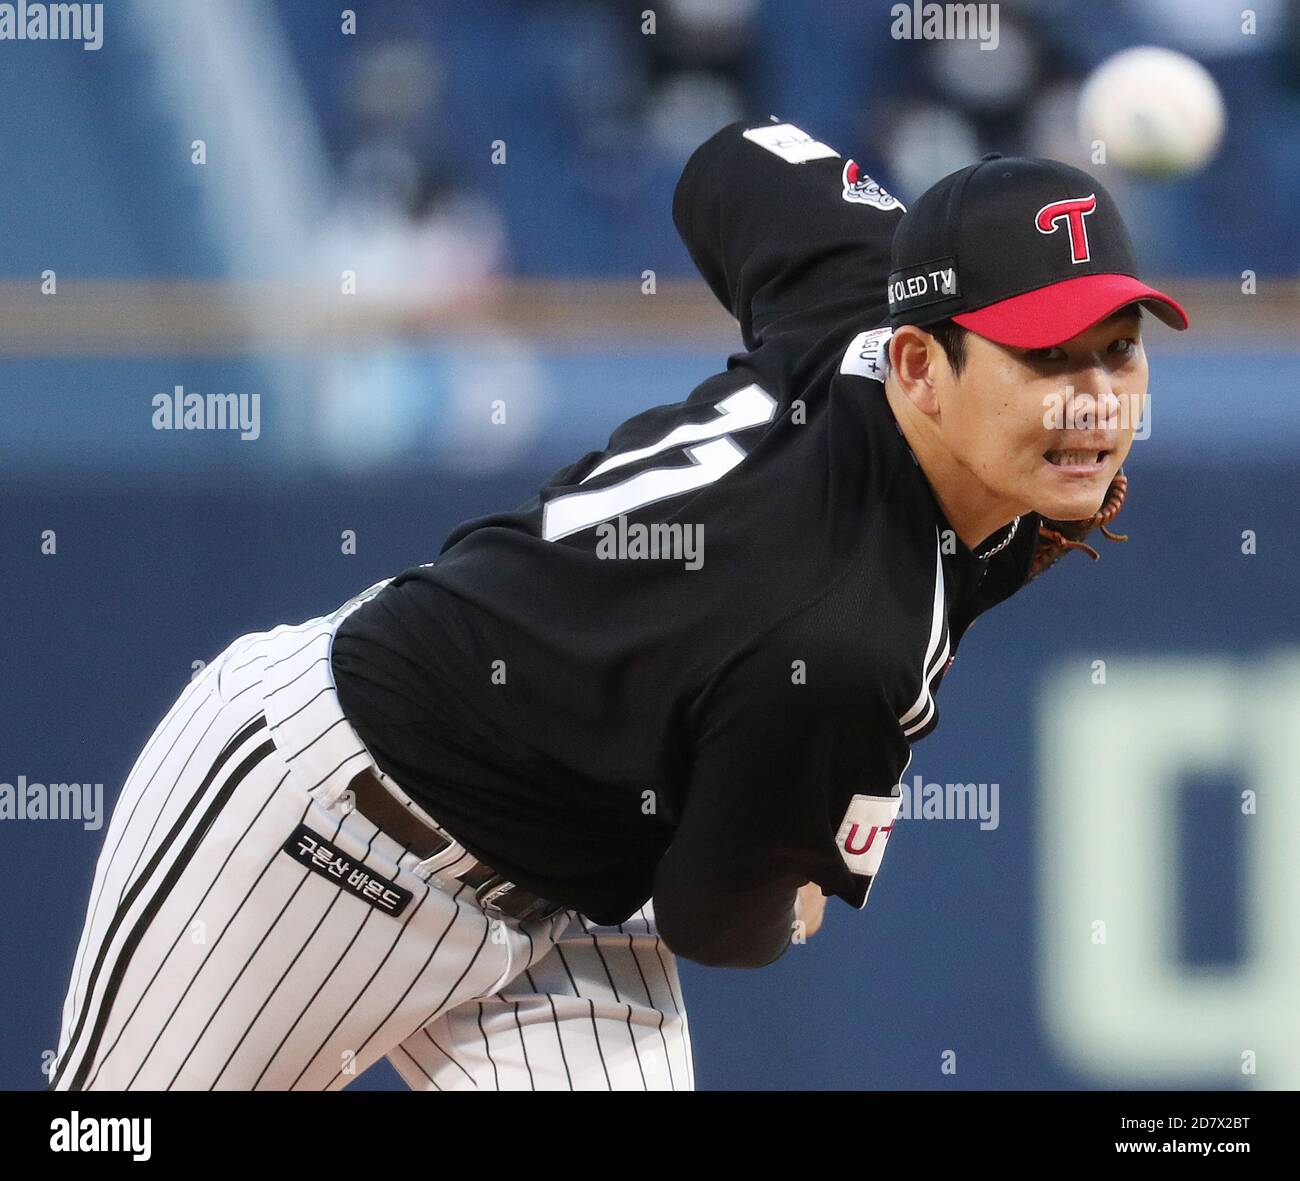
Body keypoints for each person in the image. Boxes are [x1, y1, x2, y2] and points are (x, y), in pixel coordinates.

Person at [49, 118, 1186, 1092]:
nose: (1095, 400)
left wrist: (900, 253)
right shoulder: (839, 628)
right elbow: (716, 919)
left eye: (1117, 351)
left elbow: (734, 162)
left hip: (573, 904)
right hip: (324, 820)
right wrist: (789, 881)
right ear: (919, 368)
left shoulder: (865, 296)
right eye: (1045, 358)